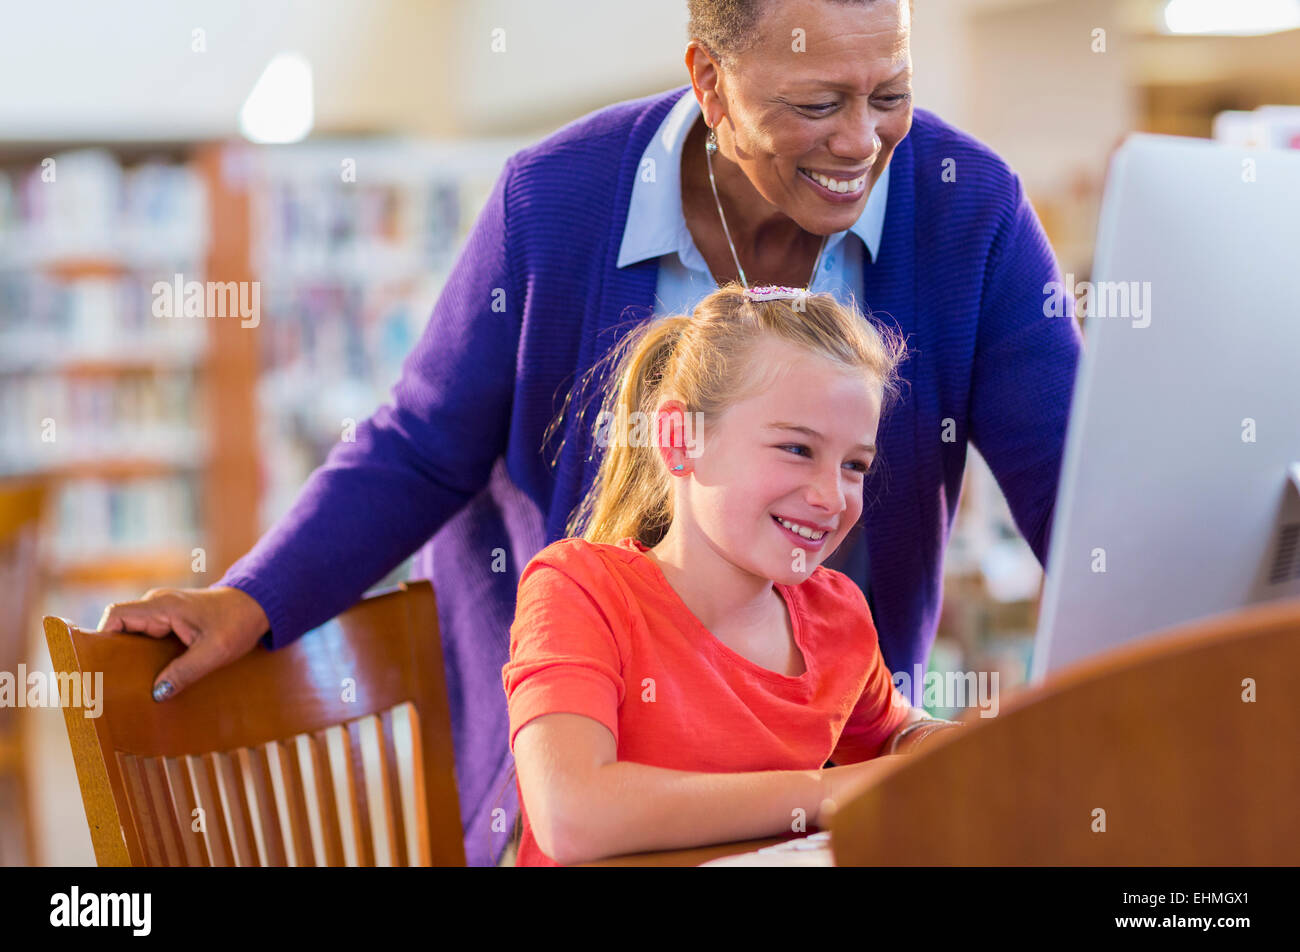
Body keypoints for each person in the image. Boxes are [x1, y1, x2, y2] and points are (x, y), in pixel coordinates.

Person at [97, 0, 1081, 866]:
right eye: (818, 103)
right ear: (710, 81)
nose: (862, 141)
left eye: (890, 95)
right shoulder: (556, 200)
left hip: (823, 779)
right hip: (590, 751)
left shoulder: (969, 209)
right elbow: (418, 447)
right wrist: (254, 596)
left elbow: (1076, 489)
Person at [506, 284, 963, 866]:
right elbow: (572, 816)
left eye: (855, 465)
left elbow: (897, 732)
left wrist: (950, 748)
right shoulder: (577, 590)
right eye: (797, 449)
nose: (831, 497)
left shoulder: (836, 615)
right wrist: (826, 792)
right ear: (679, 440)